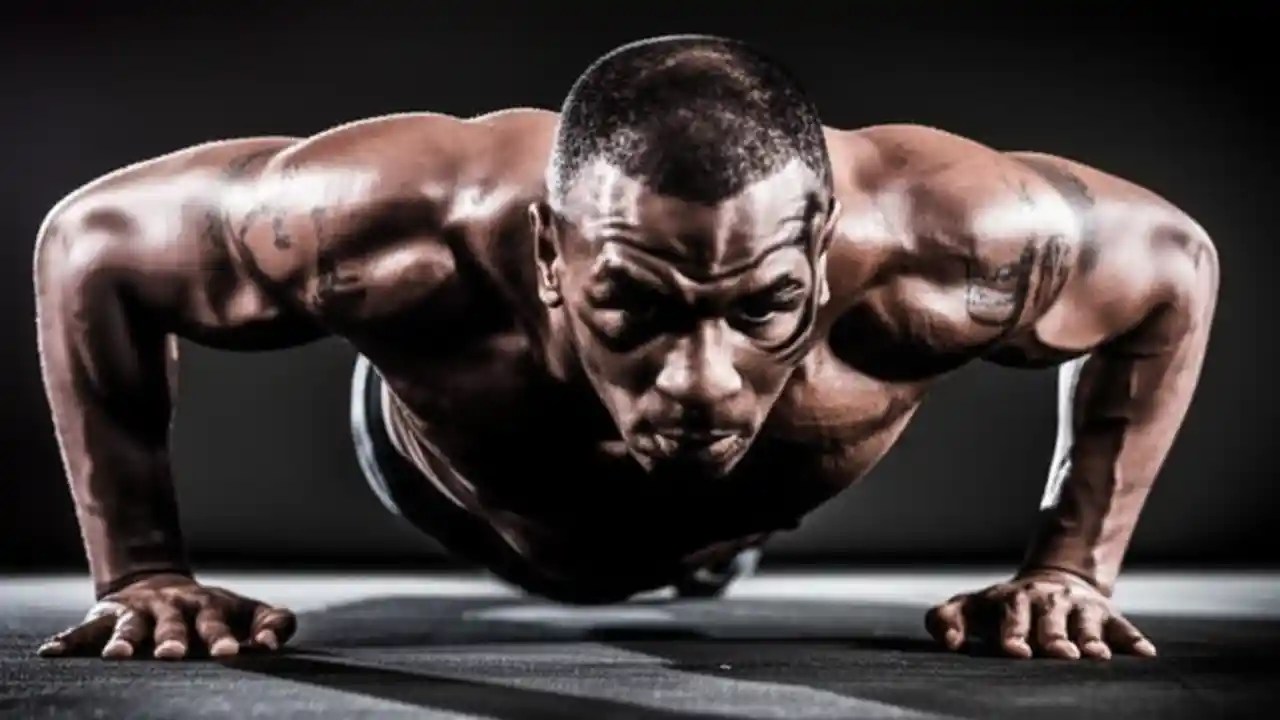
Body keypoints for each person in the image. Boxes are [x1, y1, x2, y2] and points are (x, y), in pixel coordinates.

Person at [32, 34, 1218, 663]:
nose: (700, 382)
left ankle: (708, 549)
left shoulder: (950, 242)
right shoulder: (397, 220)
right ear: (550, 254)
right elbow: (92, 242)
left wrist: (1069, 566)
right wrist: (143, 574)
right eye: (637, 307)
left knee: (710, 523)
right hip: (459, 492)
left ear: (819, 250)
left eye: (756, 308)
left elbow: (1172, 264)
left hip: (749, 515)